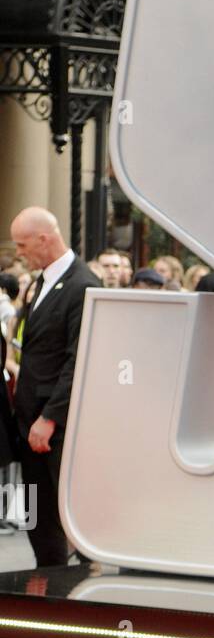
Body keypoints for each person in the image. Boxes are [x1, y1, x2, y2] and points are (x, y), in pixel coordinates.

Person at [8, 206, 102, 566]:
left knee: (62, 512)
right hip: (28, 418)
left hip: (56, 426)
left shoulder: (83, 284)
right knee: (34, 510)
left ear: (43, 239)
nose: (19, 253)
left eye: (21, 245)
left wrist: (50, 417)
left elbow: (78, 359)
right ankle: (44, 572)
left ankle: (66, 584)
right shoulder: (40, 281)